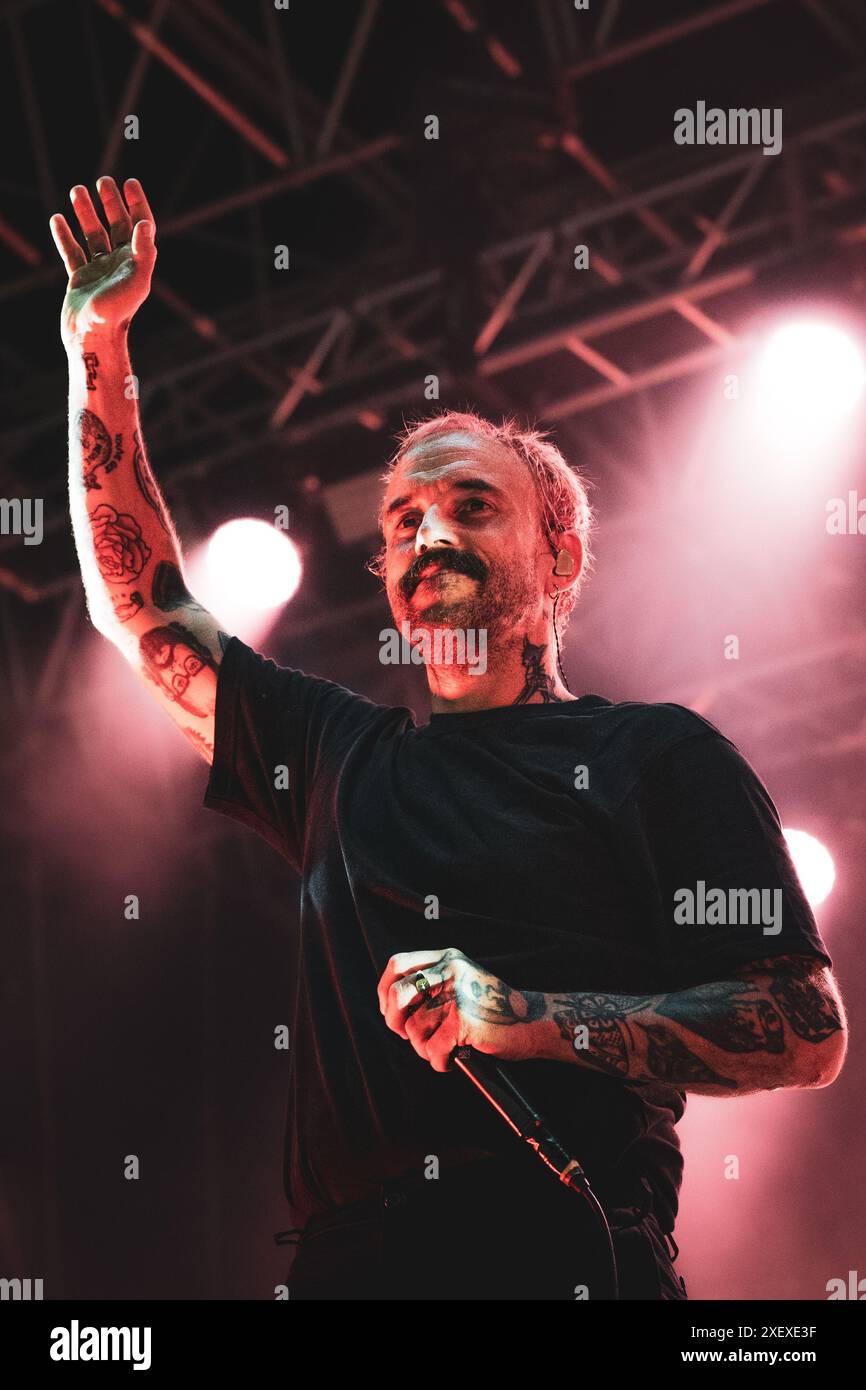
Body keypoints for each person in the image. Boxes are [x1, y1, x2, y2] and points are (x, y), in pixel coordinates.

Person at [52, 178, 848, 1301]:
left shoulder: (655, 755)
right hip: (346, 1269)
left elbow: (803, 1028)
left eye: (472, 506)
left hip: (558, 1254)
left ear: (558, 556)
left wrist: (526, 1018)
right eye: (403, 521)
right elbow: (141, 609)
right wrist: (99, 348)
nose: (429, 532)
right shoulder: (337, 756)